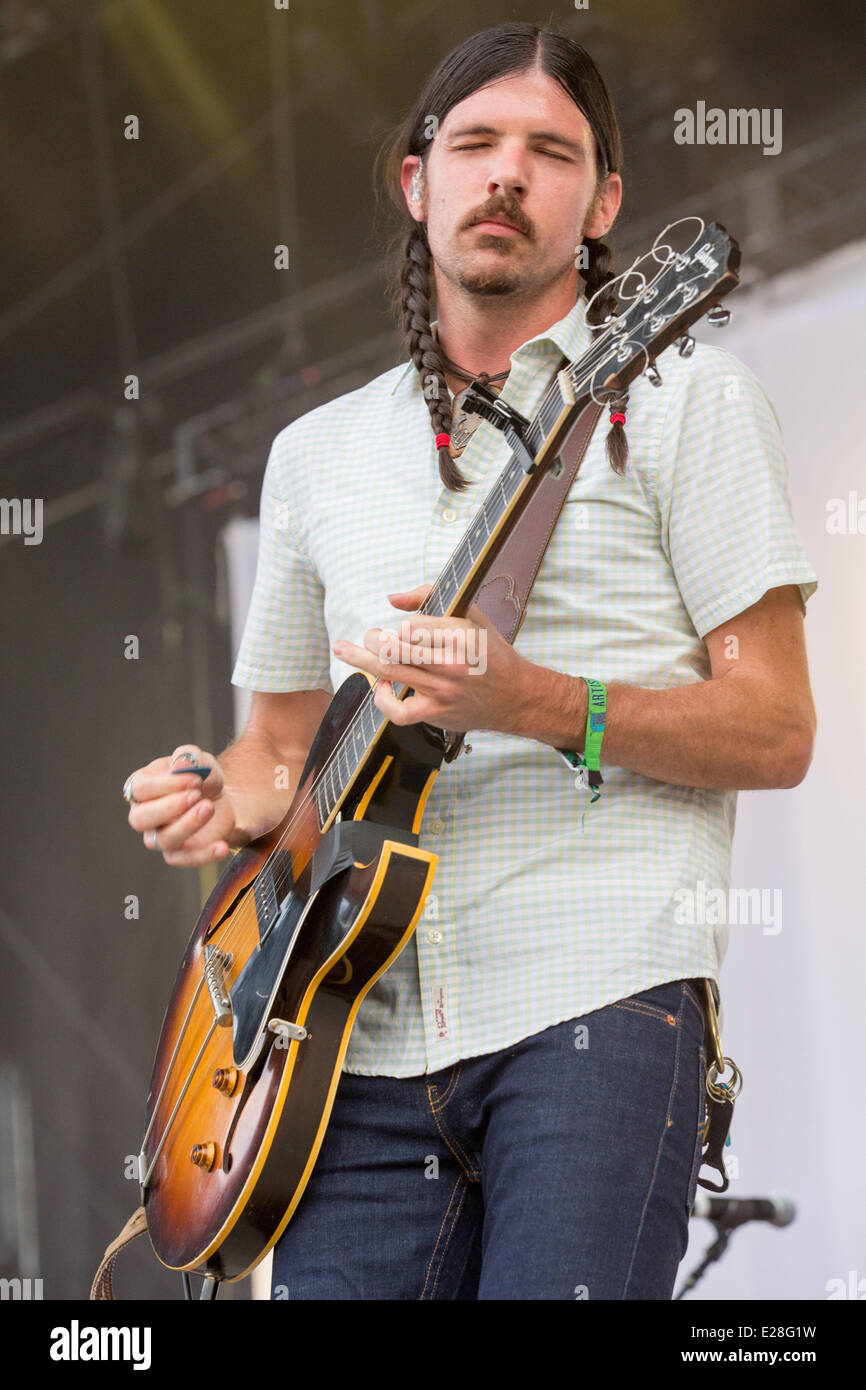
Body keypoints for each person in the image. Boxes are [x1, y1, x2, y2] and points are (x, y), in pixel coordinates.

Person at [123, 23, 818, 1299]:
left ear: (602, 203)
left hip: (598, 1006)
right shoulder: (314, 456)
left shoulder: (683, 399)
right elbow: (276, 751)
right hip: (343, 1050)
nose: (507, 174)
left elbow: (774, 728)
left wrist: (533, 702)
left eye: (550, 152)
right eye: (475, 143)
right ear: (415, 179)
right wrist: (222, 795)